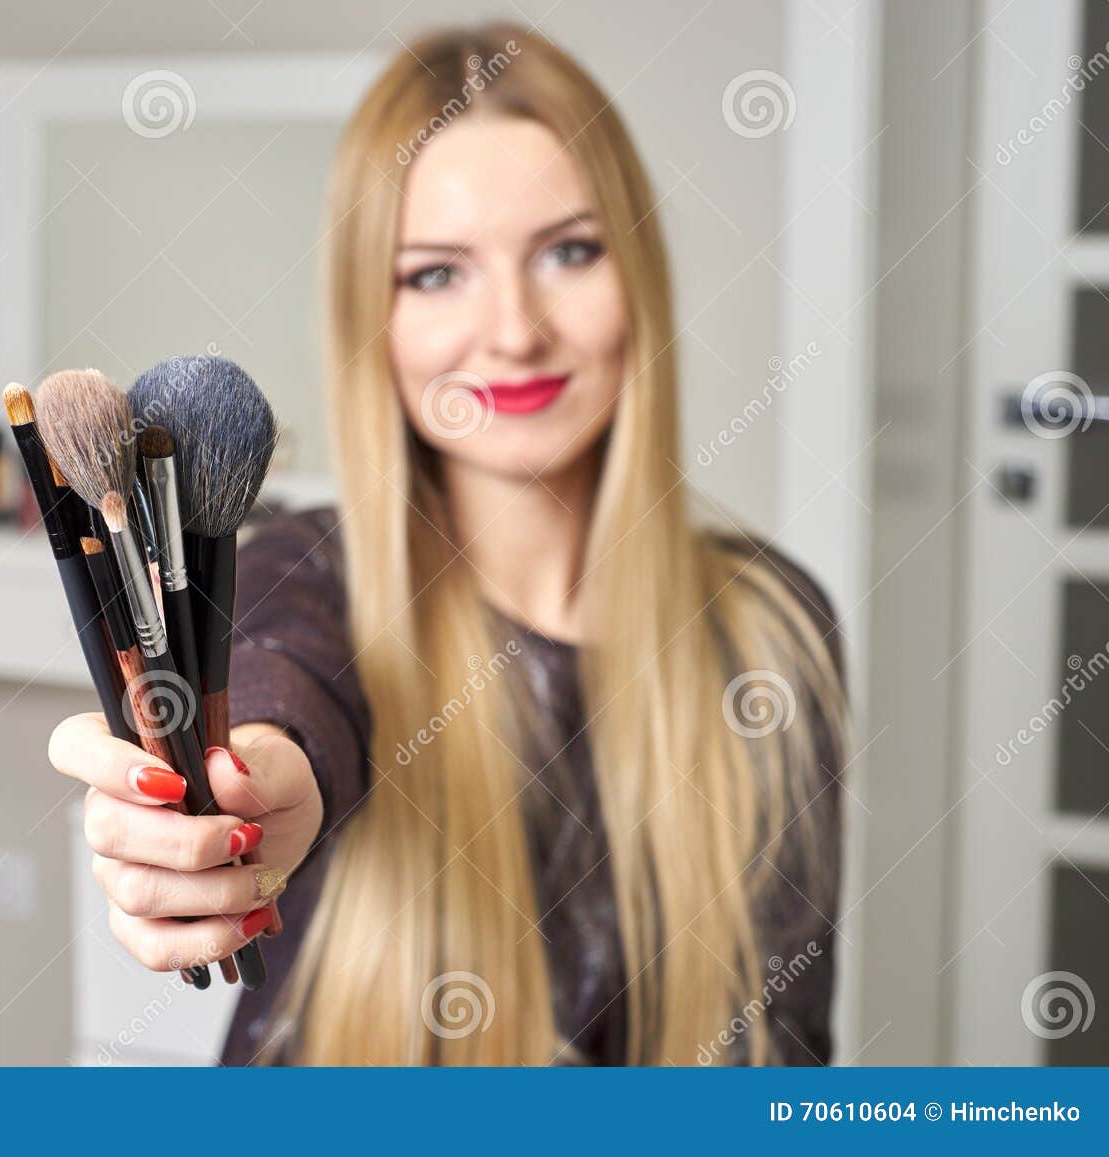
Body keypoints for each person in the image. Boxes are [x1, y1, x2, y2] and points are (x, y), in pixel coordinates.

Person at [48, 23, 848, 1066]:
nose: (514, 330)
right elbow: (286, 699)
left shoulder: (772, 626)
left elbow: (787, 1046)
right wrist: (248, 809)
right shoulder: (301, 577)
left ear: (637, 272)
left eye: (569, 251)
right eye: (436, 274)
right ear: (368, 316)